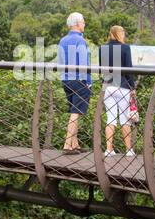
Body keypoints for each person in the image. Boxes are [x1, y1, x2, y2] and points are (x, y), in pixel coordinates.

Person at [98, 25, 137, 156]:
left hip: (108, 86)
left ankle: (109, 149)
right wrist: (132, 87)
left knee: (111, 118)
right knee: (125, 119)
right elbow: (128, 69)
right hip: (122, 85)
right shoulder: (125, 48)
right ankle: (128, 150)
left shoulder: (102, 48)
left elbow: (101, 68)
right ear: (120, 34)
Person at [57, 12, 92, 154]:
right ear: (77, 24)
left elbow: (60, 60)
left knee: (74, 110)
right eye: (83, 21)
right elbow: (85, 63)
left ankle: (75, 143)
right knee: (76, 112)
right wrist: (88, 82)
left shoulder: (63, 40)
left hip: (66, 79)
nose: (84, 24)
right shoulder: (80, 41)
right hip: (79, 79)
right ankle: (67, 145)